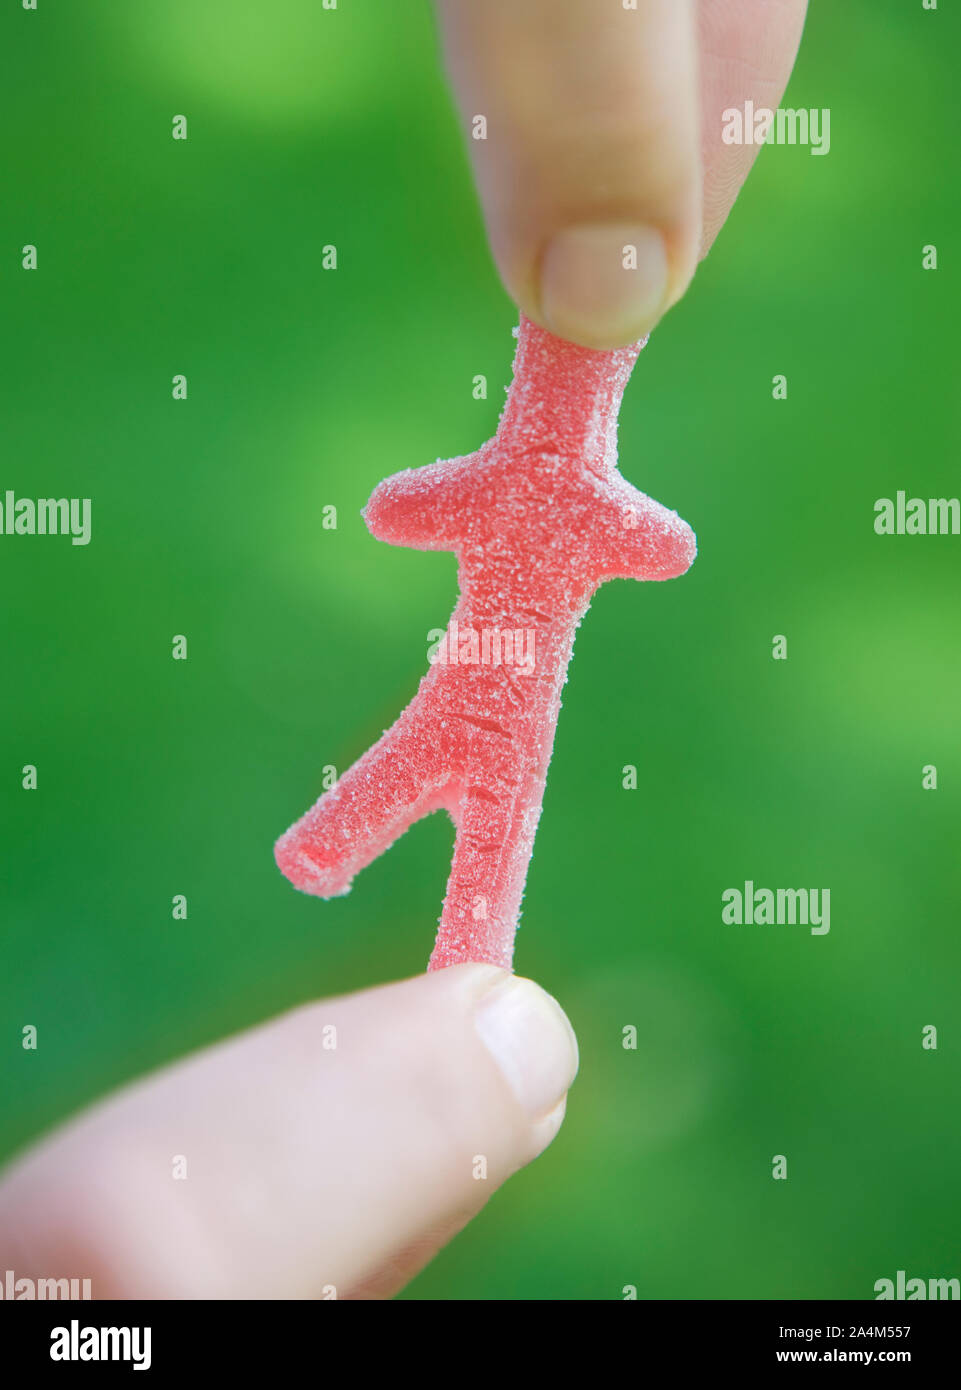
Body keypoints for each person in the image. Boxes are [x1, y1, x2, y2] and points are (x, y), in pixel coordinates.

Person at [0, 0, 808, 1299]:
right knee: (441, 773)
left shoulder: (562, 501)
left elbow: (456, 514)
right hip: (481, 688)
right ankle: (368, 899)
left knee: (461, 790)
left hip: (501, 698)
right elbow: (594, 534)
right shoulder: (558, 499)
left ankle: (365, 894)